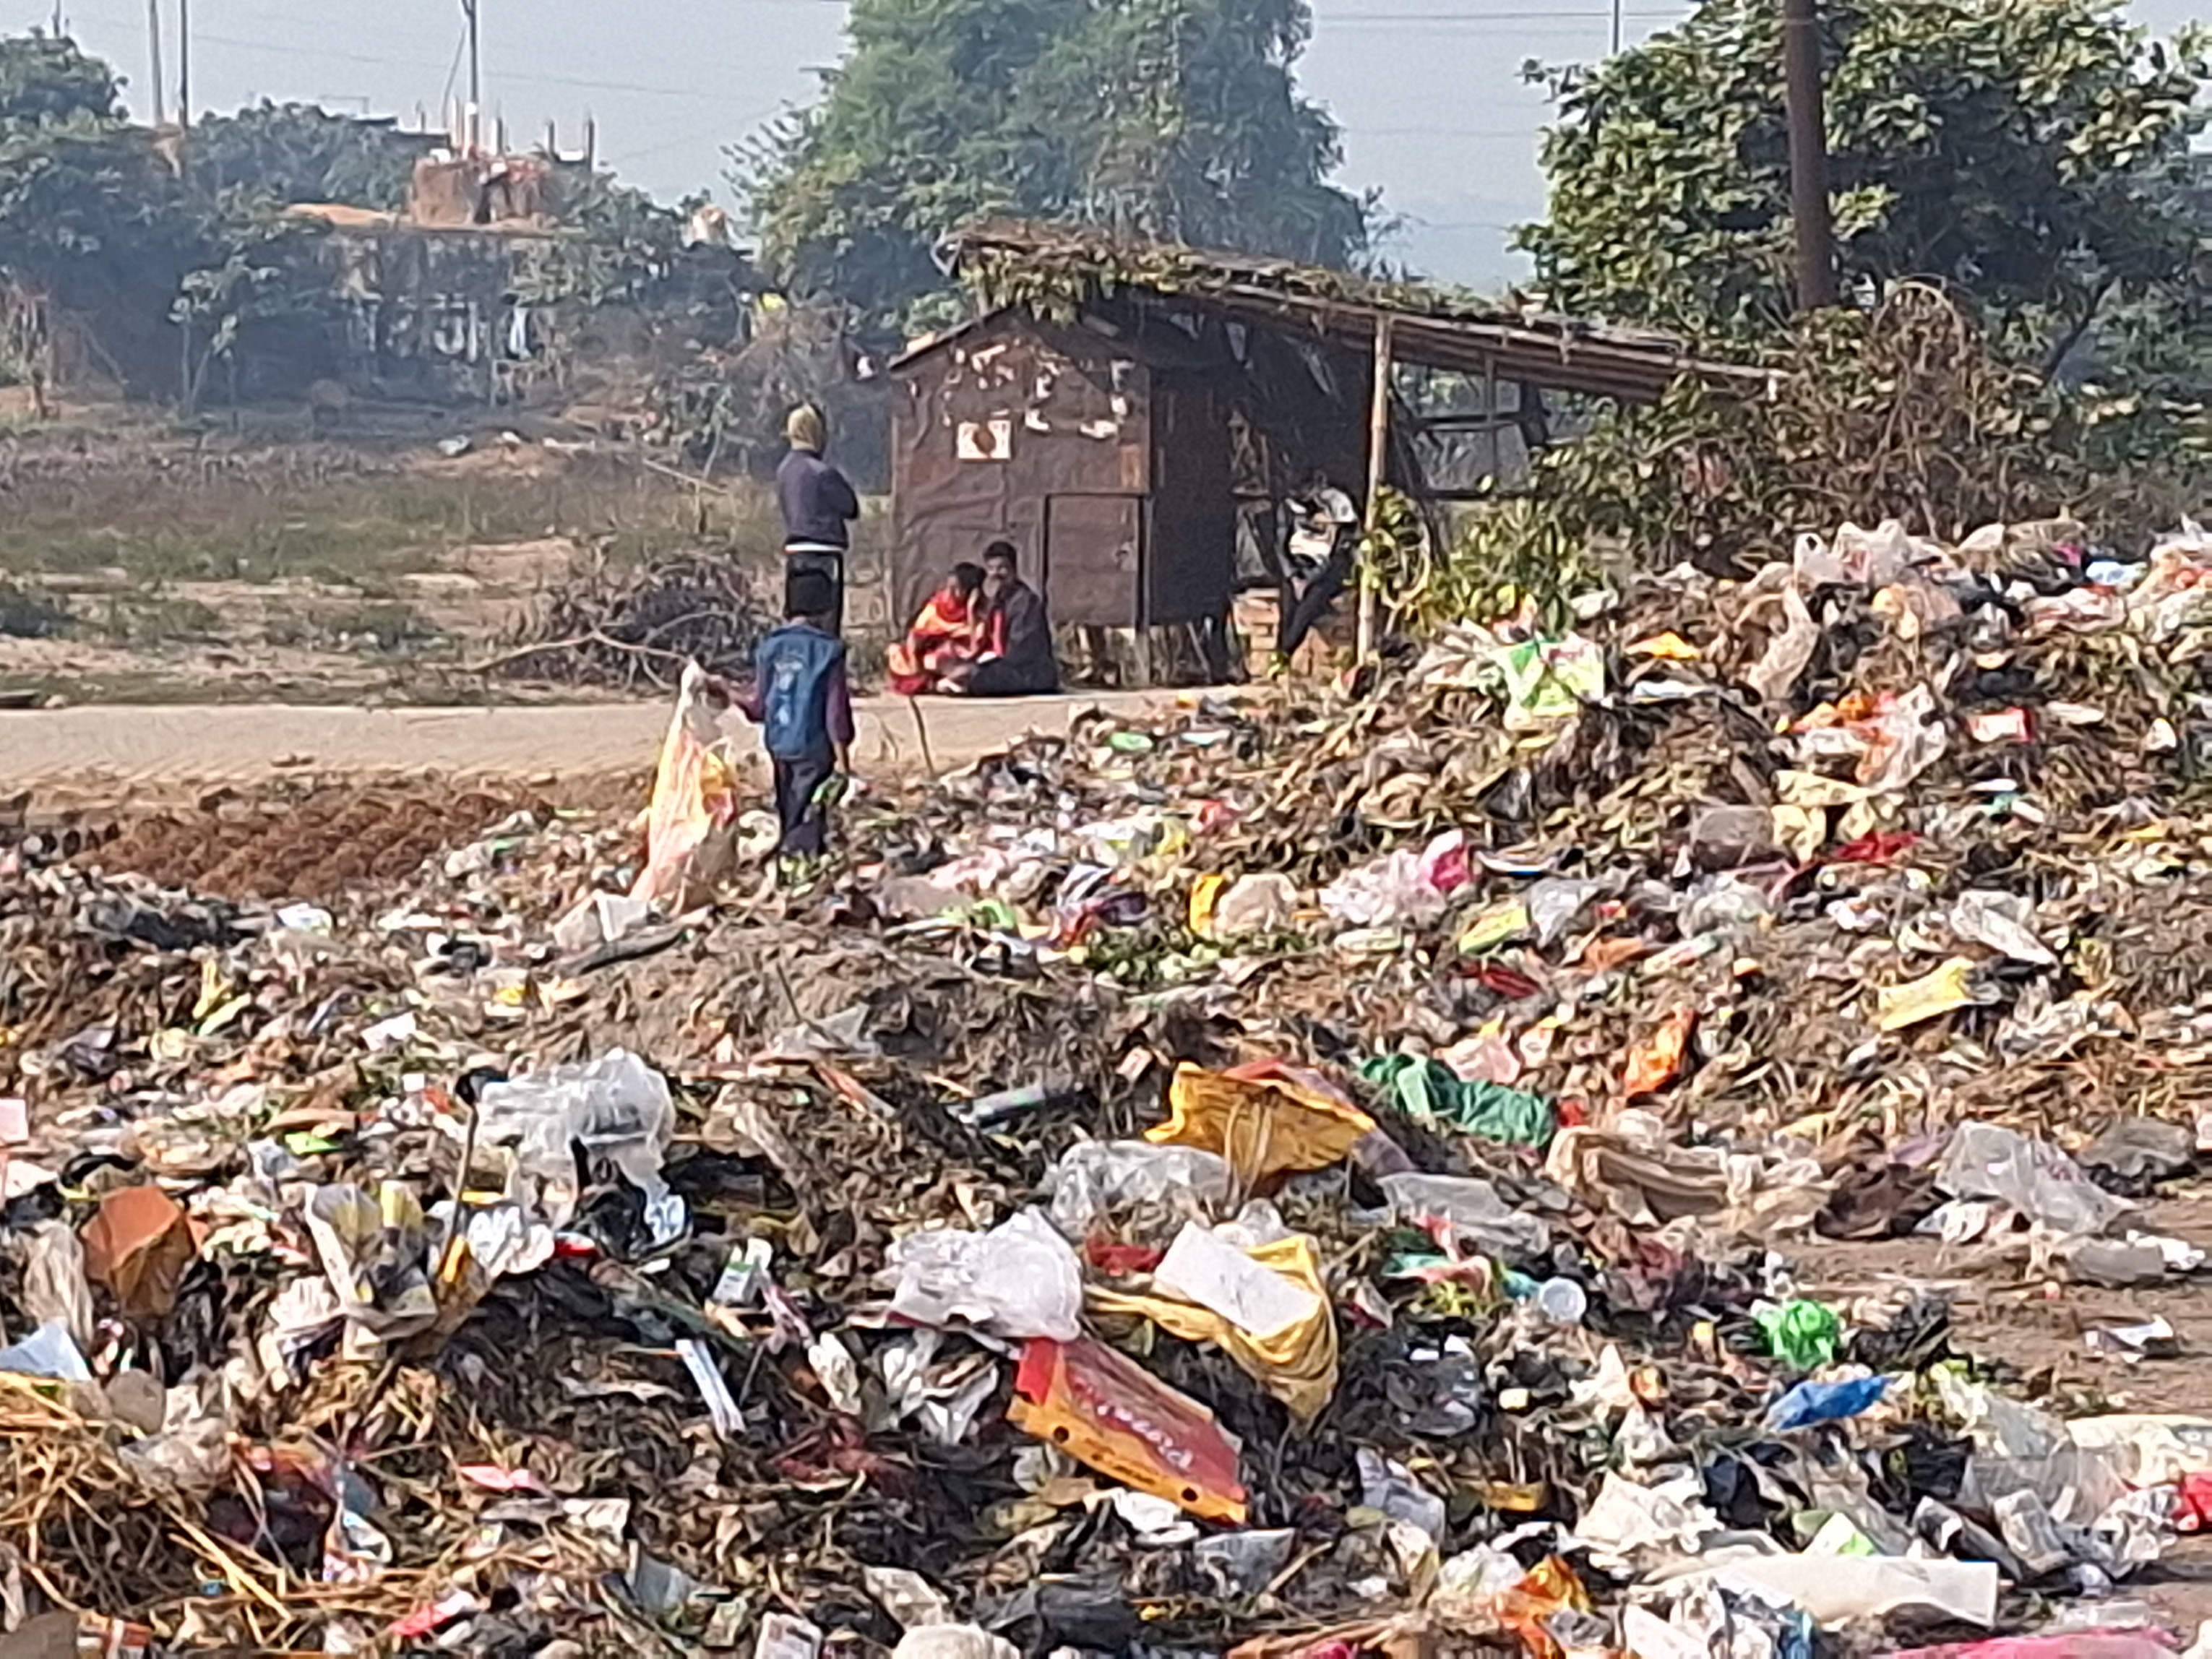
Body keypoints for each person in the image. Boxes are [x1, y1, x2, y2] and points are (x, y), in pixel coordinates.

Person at [736, 566, 854, 860]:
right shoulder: (829, 650)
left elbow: (758, 708)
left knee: (788, 806)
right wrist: (844, 764)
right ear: (826, 605)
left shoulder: (770, 647)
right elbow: (834, 712)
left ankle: (784, 861)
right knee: (810, 816)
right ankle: (801, 865)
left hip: (779, 743)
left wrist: (727, 693)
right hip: (813, 747)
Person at [775, 403, 859, 637]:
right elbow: (850, 507)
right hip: (824, 555)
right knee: (826, 626)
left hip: (795, 555)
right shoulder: (822, 472)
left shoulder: (784, 471)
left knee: (798, 622)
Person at [1275, 472, 1360, 666]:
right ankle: (1282, 652)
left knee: (1312, 599)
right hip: (1298, 565)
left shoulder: (1338, 504)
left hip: (1329, 569)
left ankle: (1285, 652)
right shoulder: (1288, 507)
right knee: (1288, 600)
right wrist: (1294, 576)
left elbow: (1341, 553)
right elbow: (1280, 544)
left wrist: (1310, 579)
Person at [961, 540, 1059, 697]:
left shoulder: (1026, 602)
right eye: (991, 568)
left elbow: (1022, 650)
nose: (996, 574)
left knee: (977, 679)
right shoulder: (995, 601)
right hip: (1003, 665)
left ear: (1013, 570)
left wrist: (987, 664)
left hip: (1028, 672)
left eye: (1002, 568)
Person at [886, 562, 986, 695]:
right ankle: (933, 683)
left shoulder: (979, 614)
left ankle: (944, 683)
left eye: (956, 589)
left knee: (970, 669)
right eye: (949, 588)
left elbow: (974, 648)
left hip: (958, 663)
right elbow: (915, 637)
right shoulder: (936, 606)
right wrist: (916, 665)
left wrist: (970, 611)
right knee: (897, 653)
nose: (949, 593)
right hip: (927, 661)